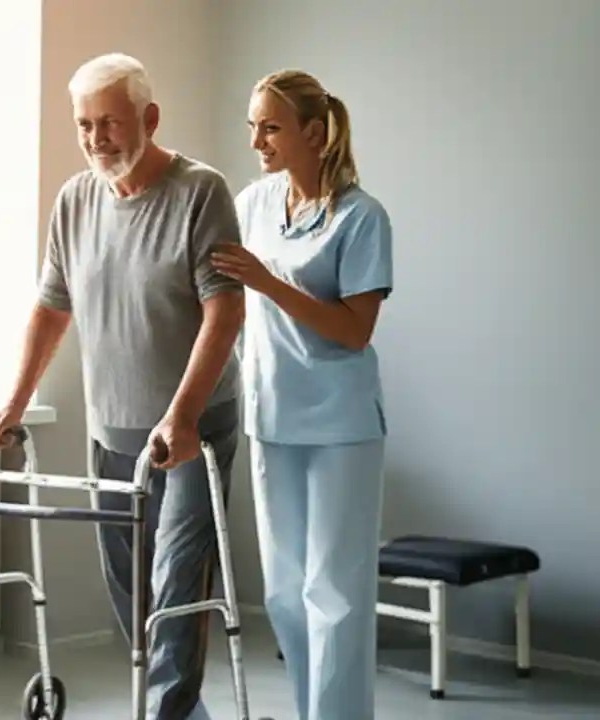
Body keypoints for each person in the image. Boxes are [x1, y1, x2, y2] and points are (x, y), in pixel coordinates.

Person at [0, 53, 245, 719]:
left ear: (149, 119)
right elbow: (50, 308)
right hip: (111, 428)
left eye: (111, 124)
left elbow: (225, 311)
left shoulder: (200, 192)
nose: (97, 140)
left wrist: (181, 417)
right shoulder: (75, 199)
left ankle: (164, 714)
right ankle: (180, 711)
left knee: (176, 582)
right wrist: (14, 404)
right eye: (85, 125)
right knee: (130, 590)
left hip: (190, 430)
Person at [210, 69, 393, 720]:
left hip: (341, 426)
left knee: (334, 592)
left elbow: (353, 329)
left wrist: (266, 280)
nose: (256, 139)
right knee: (286, 593)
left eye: (271, 126)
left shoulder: (362, 217)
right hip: (271, 415)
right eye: (253, 125)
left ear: (313, 133)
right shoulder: (251, 203)